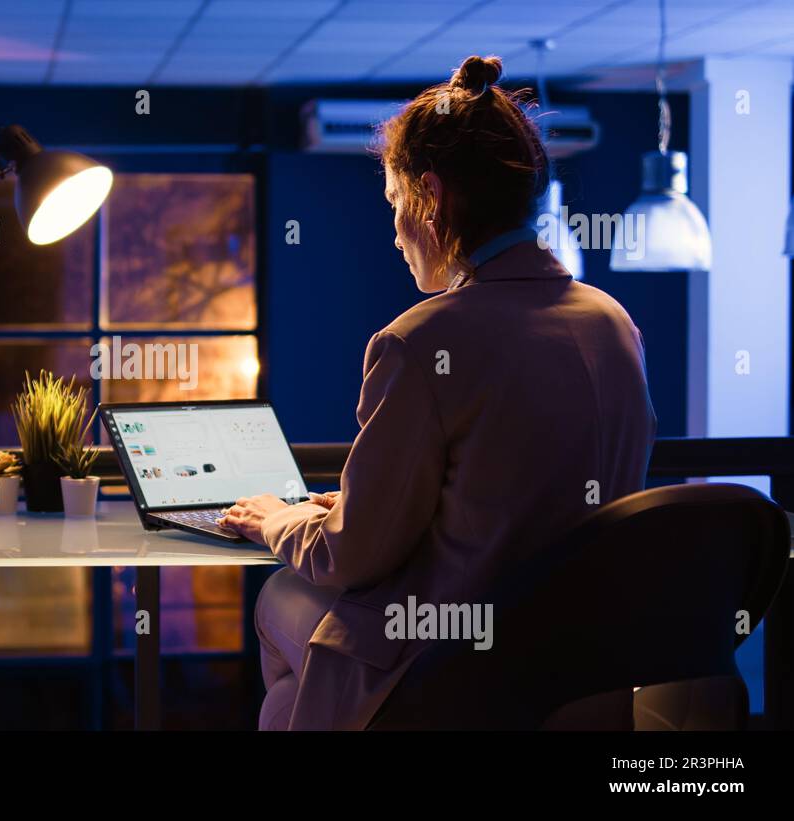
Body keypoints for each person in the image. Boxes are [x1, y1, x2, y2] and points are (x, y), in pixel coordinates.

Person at [218, 55, 657, 730]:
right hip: (587, 671)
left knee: (281, 594)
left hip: (456, 673)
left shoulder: (418, 341)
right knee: (294, 699)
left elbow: (348, 554)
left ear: (432, 194)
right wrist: (389, 507)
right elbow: (526, 503)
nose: (394, 233)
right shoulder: (613, 322)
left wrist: (274, 516)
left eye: (396, 206)